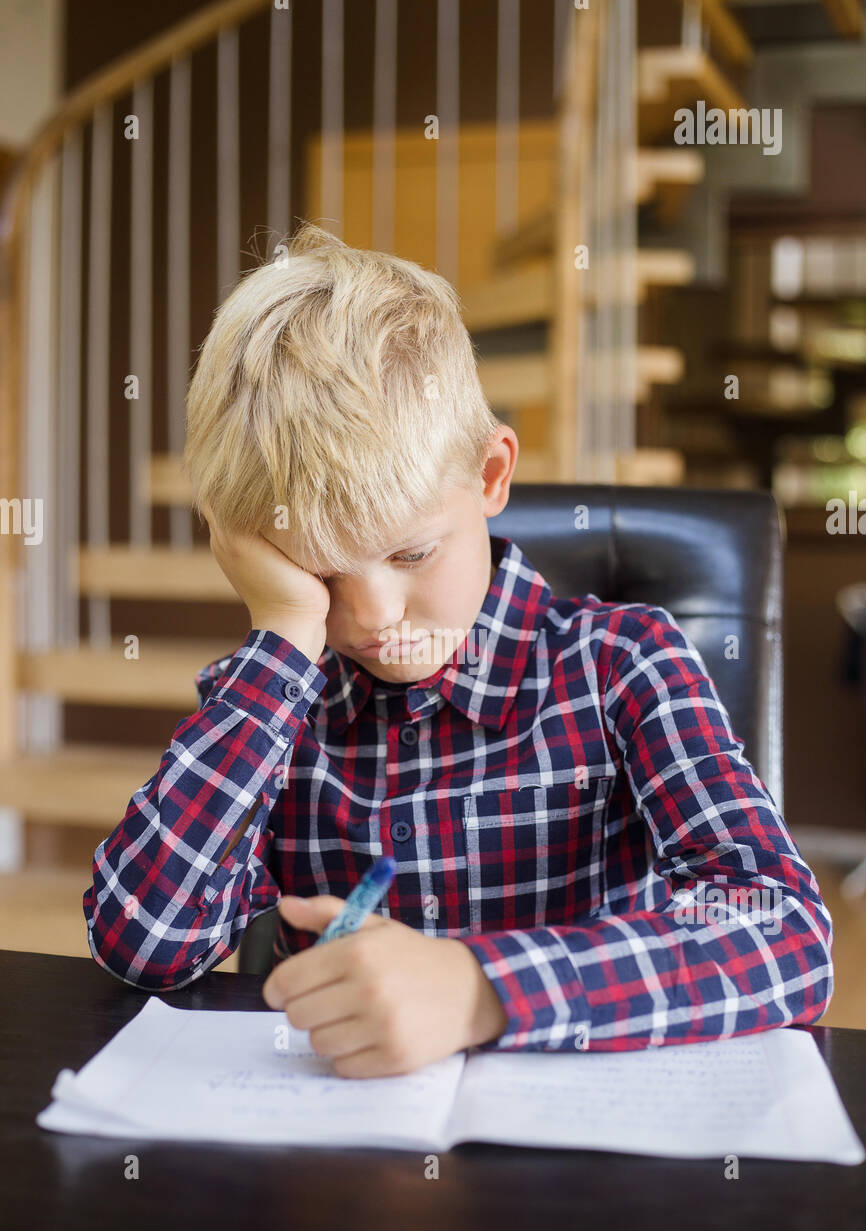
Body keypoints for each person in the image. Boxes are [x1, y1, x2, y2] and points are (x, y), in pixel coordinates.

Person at [85, 221, 833, 1078]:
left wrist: (481, 988)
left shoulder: (624, 663)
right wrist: (286, 635)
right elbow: (141, 946)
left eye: (411, 554)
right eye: (320, 573)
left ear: (489, 474)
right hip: (344, 1154)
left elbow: (786, 934)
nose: (372, 616)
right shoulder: (272, 698)